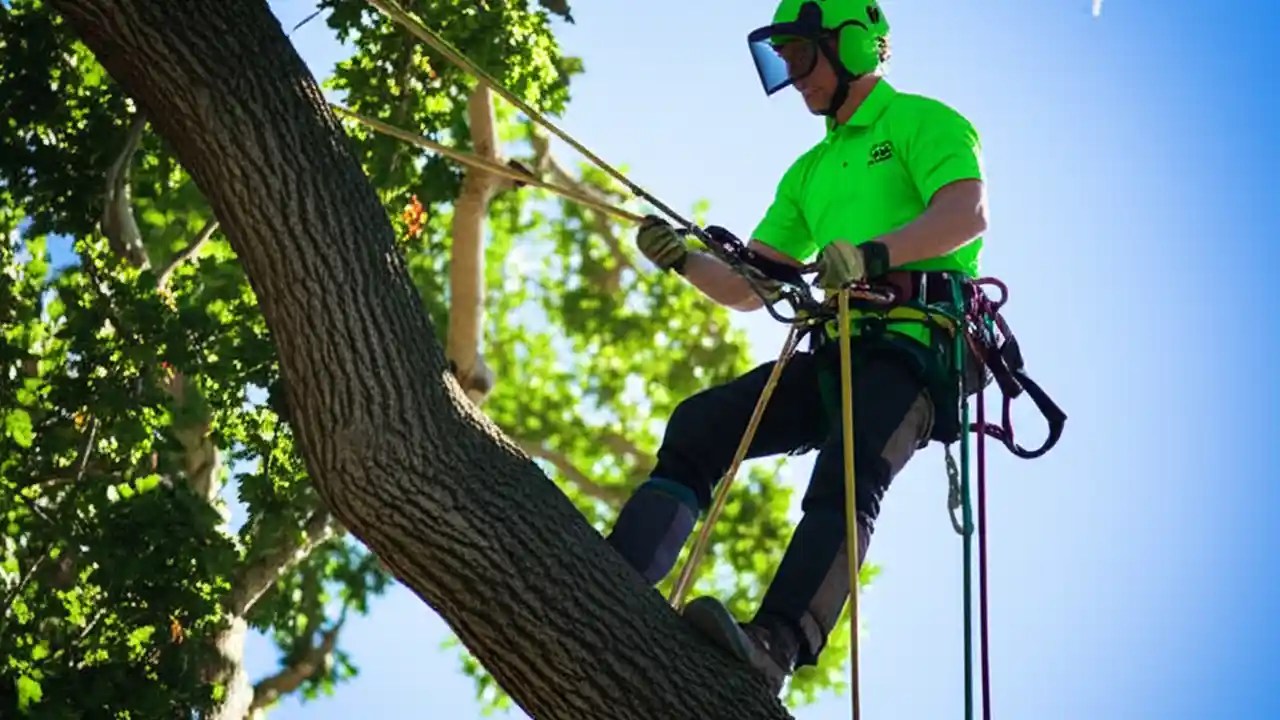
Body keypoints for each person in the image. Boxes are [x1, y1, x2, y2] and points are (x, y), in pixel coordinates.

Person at [604, 0, 989, 695]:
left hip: (912, 348)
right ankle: (612, 573)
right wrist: (681, 259)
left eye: (801, 57)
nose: (794, 79)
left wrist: (873, 255)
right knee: (700, 425)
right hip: (834, 351)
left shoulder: (923, 122)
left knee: (847, 477)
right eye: (781, 63)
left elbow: (964, 214)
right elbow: (750, 284)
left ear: (854, 46)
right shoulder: (810, 172)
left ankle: (773, 647)